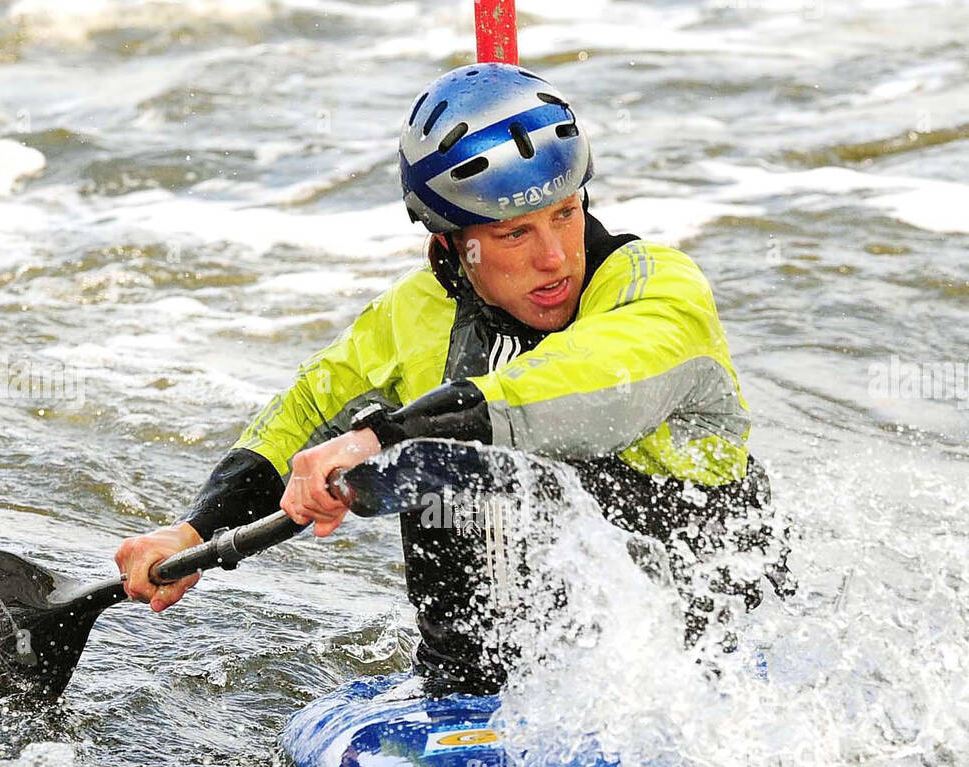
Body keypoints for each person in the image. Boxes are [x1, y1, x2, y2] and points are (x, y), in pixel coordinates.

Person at [115, 62, 792, 693]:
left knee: (456, 453)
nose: (556, 258)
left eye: (565, 213)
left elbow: (583, 389)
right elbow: (301, 418)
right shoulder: (414, 317)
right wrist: (195, 532)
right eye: (514, 234)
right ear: (450, 245)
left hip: (695, 681)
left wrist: (386, 439)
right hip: (468, 694)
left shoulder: (659, 291)